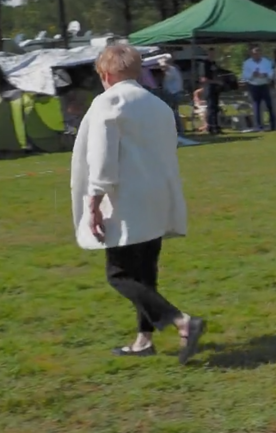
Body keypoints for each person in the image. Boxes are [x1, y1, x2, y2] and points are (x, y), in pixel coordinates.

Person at [69, 44, 206, 364]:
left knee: (119, 275)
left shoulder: (108, 103)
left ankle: (181, 321)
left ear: (106, 74)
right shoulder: (157, 105)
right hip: (157, 196)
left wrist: (93, 204)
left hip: (125, 200)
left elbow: (101, 160)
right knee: (146, 273)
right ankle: (143, 339)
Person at [241, 45, 276, 131]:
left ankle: (273, 125)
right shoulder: (247, 63)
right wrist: (252, 75)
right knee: (256, 106)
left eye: (258, 53)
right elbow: (245, 76)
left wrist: (266, 75)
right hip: (253, 85)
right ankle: (259, 126)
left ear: (261, 53)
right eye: (255, 53)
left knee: (269, 105)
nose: (257, 55)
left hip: (264, 84)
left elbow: (271, 73)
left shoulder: (266, 62)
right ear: (252, 54)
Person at [158, 57, 185, 135]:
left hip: (174, 93)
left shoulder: (171, 70)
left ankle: (179, 129)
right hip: (173, 93)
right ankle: (178, 129)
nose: (162, 68)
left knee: (173, 112)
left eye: (163, 66)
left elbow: (165, 79)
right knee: (173, 111)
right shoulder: (172, 70)